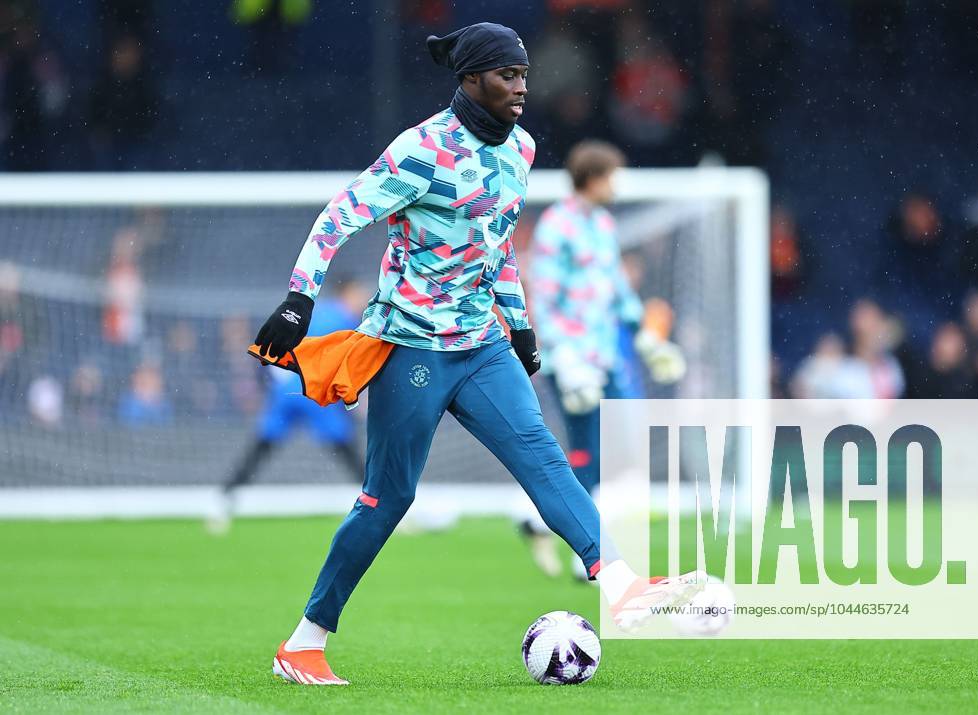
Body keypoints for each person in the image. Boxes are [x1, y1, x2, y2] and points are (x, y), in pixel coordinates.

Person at [250, 23, 701, 686]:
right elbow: (338, 214)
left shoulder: (520, 149)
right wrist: (299, 301)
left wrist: (518, 327)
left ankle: (622, 584)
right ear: (470, 80)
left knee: (545, 455)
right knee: (388, 497)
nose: (521, 87)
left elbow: (496, 247)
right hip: (413, 347)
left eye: (523, 74)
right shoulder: (421, 152)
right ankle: (304, 641)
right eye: (506, 75)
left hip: (482, 343)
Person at [525, 140, 685, 579]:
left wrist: (647, 338)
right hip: (575, 361)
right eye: (612, 176)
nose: (618, 185)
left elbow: (616, 289)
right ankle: (587, 550)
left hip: (607, 356)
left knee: (613, 451)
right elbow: (545, 298)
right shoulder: (557, 226)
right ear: (593, 178)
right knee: (586, 450)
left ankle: (543, 522)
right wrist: (564, 355)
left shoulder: (603, 225)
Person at [208, 279, 369, 534]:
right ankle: (379, 504)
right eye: (358, 293)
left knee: (262, 447)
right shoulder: (347, 318)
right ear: (347, 293)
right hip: (315, 393)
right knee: (348, 450)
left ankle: (224, 500)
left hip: (288, 389)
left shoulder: (313, 310)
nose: (361, 298)